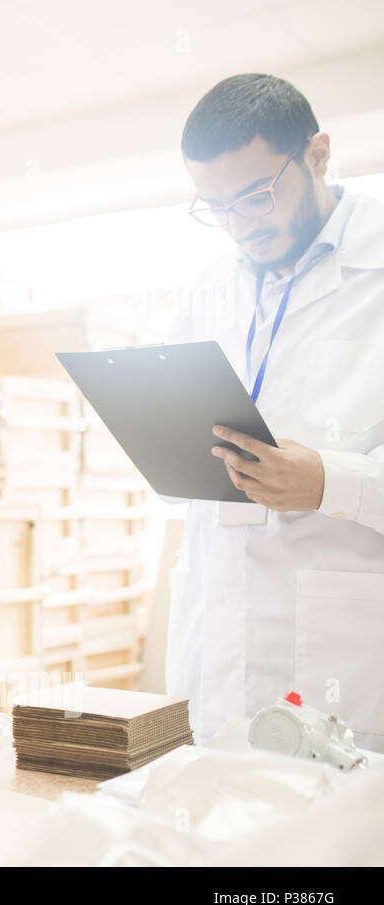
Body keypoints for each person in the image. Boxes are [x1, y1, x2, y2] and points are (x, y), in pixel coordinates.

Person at [166, 73, 384, 750]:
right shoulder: (208, 293)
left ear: (318, 155)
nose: (241, 225)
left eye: (257, 195)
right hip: (219, 643)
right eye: (217, 207)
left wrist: (332, 484)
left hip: (347, 666)